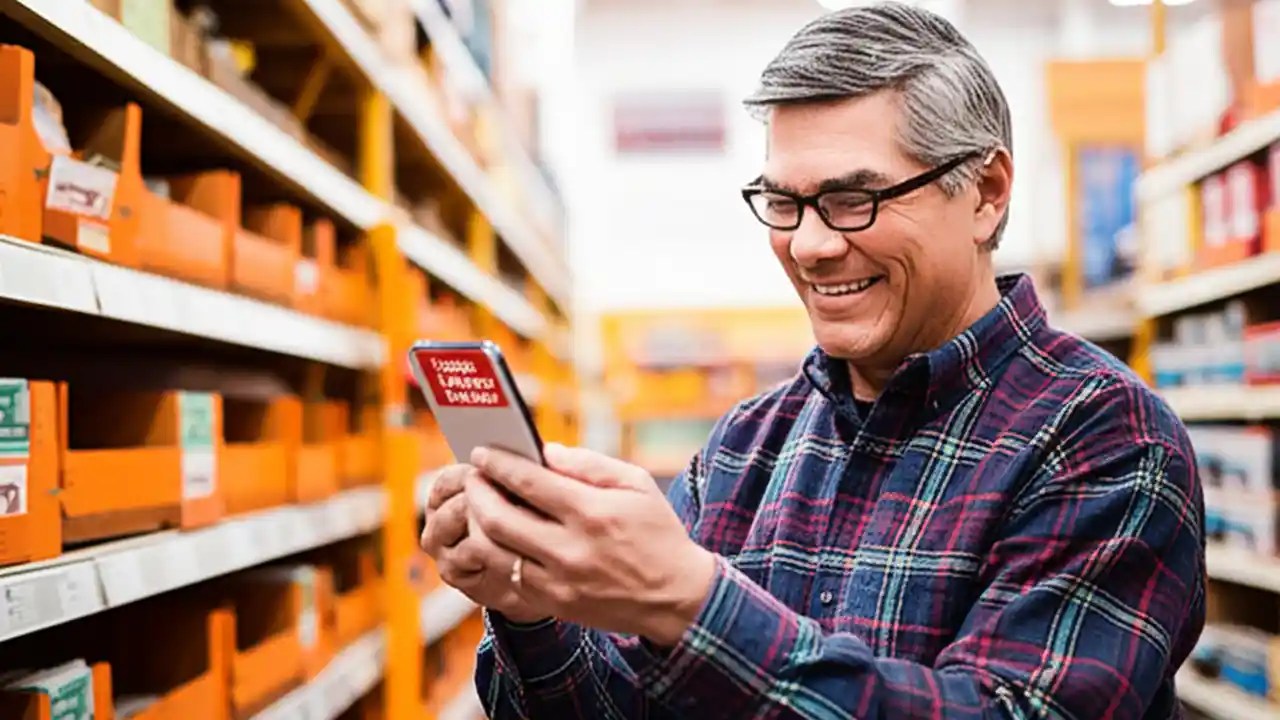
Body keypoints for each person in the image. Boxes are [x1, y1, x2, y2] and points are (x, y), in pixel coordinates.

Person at [420, 3, 1206, 718]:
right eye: (785, 203)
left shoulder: (1110, 443)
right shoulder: (744, 449)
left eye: (852, 200)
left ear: (987, 193)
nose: (812, 246)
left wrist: (690, 604)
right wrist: (530, 605)